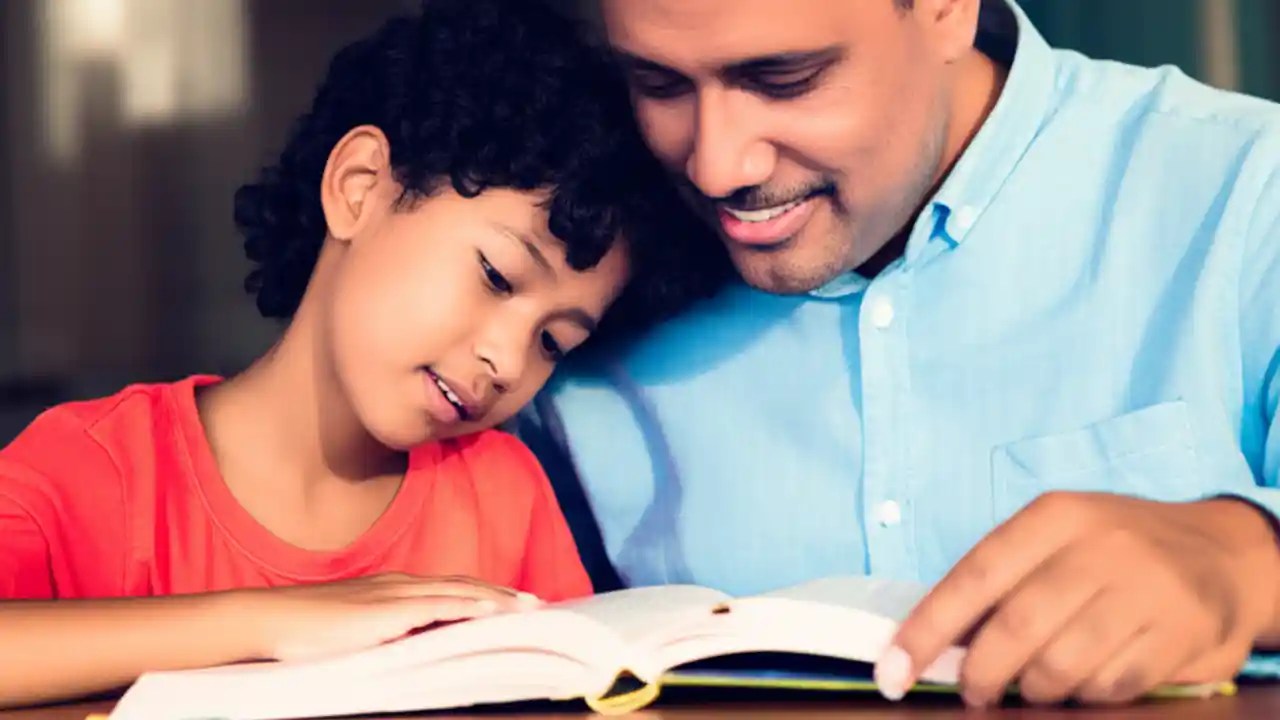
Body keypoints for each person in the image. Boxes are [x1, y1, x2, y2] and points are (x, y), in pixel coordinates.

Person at [527, 0, 1280, 708]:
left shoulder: (1249, 191)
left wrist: (1246, 558)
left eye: (785, 79)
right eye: (658, 83)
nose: (718, 168)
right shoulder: (570, 261)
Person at [0, 0, 726, 709]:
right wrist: (268, 622)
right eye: (497, 276)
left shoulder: (503, 497)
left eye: (552, 341)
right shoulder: (94, 470)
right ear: (359, 188)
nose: (508, 362)